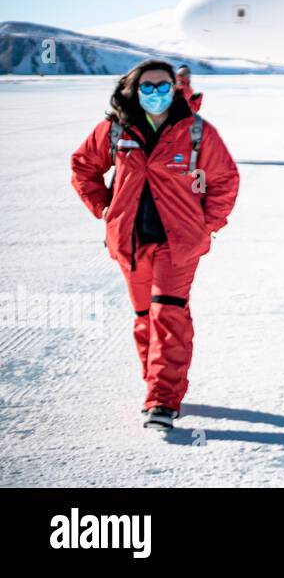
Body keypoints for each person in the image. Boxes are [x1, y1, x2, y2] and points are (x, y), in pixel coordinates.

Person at [70, 59, 239, 430]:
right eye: (147, 86)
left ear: (175, 89)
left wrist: (206, 224)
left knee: (169, 314)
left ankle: (163, 399)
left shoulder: (196, 132)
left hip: (178, 246)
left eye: (163, 86)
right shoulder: (115, 130)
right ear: (133, 90)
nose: (156, 93)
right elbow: (83, 165)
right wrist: (104, 208)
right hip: (130, 242)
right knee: (145, 317)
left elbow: (224, 179)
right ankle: (156, 384)